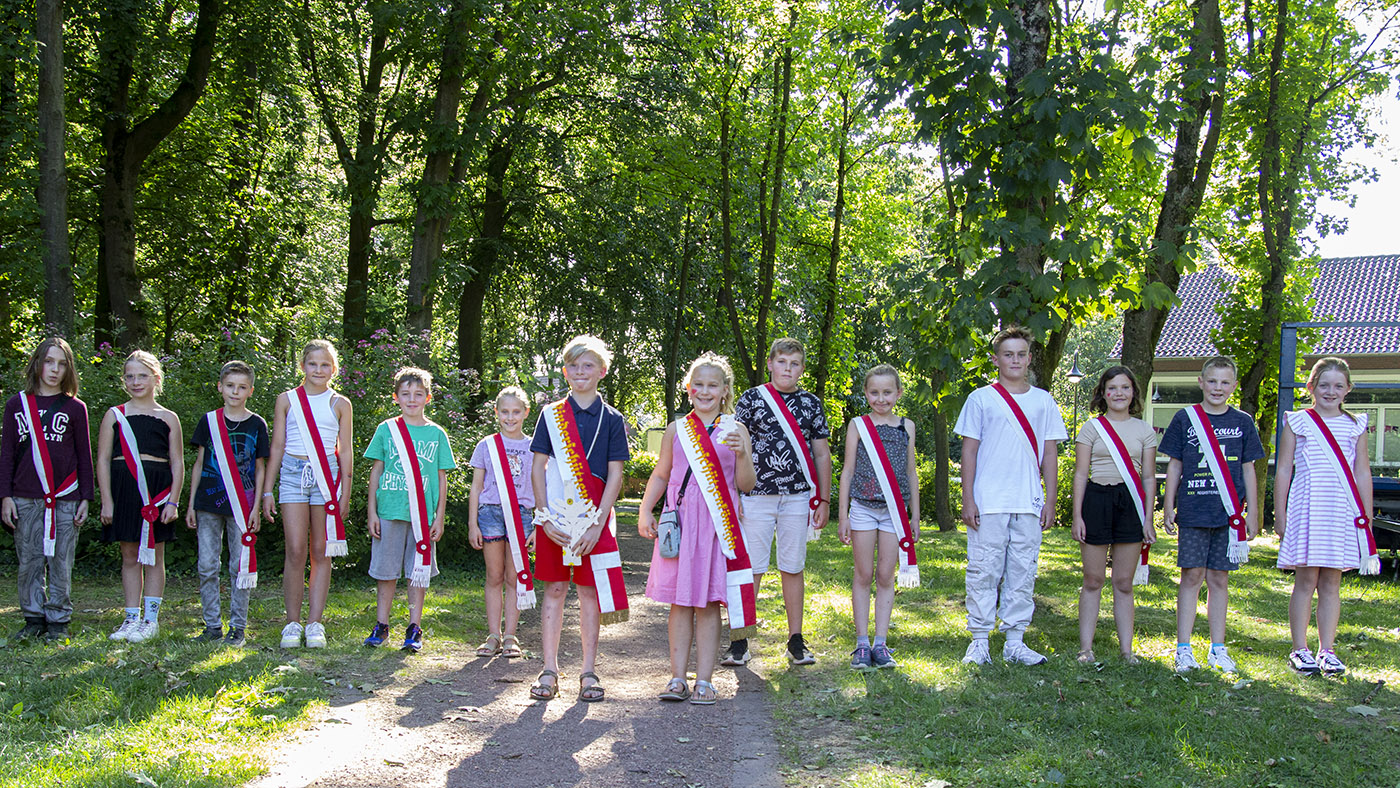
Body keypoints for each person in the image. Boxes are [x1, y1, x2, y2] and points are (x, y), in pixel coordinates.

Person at [638, 353, 757, 704]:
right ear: (689, 389)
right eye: (698, 385)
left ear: (724, 391)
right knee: (679, 602)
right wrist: (646, 510)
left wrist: (743, 455)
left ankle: (704, 680)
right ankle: (677, 678)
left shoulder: (737, 430)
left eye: (712, 385)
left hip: (717, 526)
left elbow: (747, 485)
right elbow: (662, 474)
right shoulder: (677, 430)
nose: (705, 391)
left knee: (707, 603)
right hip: (682, 522)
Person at [954, 326, 1066, 666]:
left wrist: (1051, 499)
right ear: (996, 359)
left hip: (1028, 500)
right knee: (984, 569)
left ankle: (1015, 640)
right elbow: (969, 452)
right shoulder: (981, 399)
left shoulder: (1043, 401)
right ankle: (979, 640)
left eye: (1020, 354)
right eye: (1008, 354)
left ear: (1029, 358)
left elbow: (1049, 454)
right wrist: (968, 498)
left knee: (1023, 570)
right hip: (988, 500)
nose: (1014, 360)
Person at [529, 335, 630, 702]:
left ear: (602, 371)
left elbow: (616, 474)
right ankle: (549, 670)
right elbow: (538, 467)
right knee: (555, 589)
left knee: (590, 592)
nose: (580, 372)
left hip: (595, 519)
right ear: (564, 371)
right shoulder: (550, 415)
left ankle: (588, 671)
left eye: (588, 365)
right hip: (555, 515)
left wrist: (598, 522)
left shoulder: (613, 419)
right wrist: (543, 517)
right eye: (573, 365)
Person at [729, 338, 831, 667]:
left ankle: (795, 639)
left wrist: (824, 498)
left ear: (802, 368)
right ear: (770, 364)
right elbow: (734, 448)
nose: (788, 368)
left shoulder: (811, 403)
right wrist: (734, 494)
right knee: (753, 567)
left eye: (796, 363)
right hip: (756, 496)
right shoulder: (751, 399)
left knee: (793, 566)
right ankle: (740, 639)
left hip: (798, 496)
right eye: (782, 362)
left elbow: (821, 453)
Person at [1161, 356, 1265, 674]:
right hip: (1193, 511)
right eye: (1212, 381)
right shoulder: (1185, 418)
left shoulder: (1244, 422)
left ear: (1234, 387)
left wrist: (1254, 512)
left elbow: (1249, 468)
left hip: (1229, 515)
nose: (1218, 387)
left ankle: (1218, 648)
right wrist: (1167, 505)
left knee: (1219, 578)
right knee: (1191, 576)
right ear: (1201, 382)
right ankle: (1183, 648)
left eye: (1225, 382)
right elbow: (1175, 465)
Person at [1275, 357, 1375, 676]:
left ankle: (1327, 650)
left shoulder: (1355, 424)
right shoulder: (1298, 421)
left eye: (1338, 386)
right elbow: (1284, 468)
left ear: (1347, 390)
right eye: (1324, 385)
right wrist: (1280, 513)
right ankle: (1299, 648)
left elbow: (1362, 471)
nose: (1330, 391)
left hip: (1340, 510)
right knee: (1306, 580)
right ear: (1311, 388)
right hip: (1308, 507)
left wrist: (1366, 516)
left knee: (1332, 581)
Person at [0, 338, 94, 642]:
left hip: (66, 498)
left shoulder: (75, 408)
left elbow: (84, 455)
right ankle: (33, 618)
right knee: (29, 560)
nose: (54, 369)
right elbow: (6, 455)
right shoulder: (17, 405)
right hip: (25, 496)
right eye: (49, 361)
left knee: (61, 561)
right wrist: (5, 497)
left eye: (61, 363)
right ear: (38, 363)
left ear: (68, 368)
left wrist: (86, 497)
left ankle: (58, 620)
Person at [263, 339, 354, 649]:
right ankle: (292, 622)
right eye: (313, 364)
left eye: (325, 364)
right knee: (295, 549)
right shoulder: (286, 400)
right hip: (291, 473)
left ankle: (315, 623)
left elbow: (345, 451)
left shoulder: (340, 403)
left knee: (321, 550)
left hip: (327, 477)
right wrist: (267, 490)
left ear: (334, 369)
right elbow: (276, 445)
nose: (319, 369)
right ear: (302, 365)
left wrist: (346, 492)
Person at [362, 367, 455, 653]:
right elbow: (376, 471)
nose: (412, 399)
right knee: (386, 572)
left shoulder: (437, 433)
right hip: (389, 511)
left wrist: (439, 516)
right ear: (396, 397)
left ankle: (414, 627)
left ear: (428, 397)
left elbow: (441, 477)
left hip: (423, 517)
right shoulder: (386, 430)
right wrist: (372, 512)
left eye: (418, 394)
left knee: (418, 573)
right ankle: (382, 624)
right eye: (405, 394)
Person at [1070, 366, 1156, 664]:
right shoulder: (1091, 428)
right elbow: (1080, 474)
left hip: (1130, 502)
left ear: (1133, 392)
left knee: (1123, 581)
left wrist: (1148, 518)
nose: (1119, 393)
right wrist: (1077, 515)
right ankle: (1085, 648)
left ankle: (1126, 650)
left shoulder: (1145, 430)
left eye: (1125, 387)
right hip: (1096, 499)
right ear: (1103, 393)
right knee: (1093, 579)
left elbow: (1147, 478)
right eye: (1112, 388)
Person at [98, 350, 185, 643]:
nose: (136, 381)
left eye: (142, 375)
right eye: (130, 376)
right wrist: (107, 500)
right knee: (129, 553)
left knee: (155, 555)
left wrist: (173, 500)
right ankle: (131, 617)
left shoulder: (169, 417)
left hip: (158, 492)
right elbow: (102, 459)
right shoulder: (115, 414)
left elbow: (177, 462)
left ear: (156, 379)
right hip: (125, 487)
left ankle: (151, 620)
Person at [837, 364, 919, 672]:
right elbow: (846, 471)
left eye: (887, 392)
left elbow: (911, 473)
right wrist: (843, 514)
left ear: (898, 393)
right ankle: (861, 642)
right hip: (863, 508)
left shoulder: (906, 427)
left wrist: (915, 517)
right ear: (866, 393)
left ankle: (880, 643)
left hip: (894, 513)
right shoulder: (858, 425)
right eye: (874, 392)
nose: (881, 399)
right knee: (863, 574)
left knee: (886, 576)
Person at [185, 360, 269, 647]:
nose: (235, 391)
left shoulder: (257, 424)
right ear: (220, 387)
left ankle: (238, 627)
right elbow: (198, 463)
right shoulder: (208, 421)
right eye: (230, 386)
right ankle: (211, 626)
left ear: (250, 390)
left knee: (239, 567)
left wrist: (256, 506)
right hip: (207, 502)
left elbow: (260, 468)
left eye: (242, 387)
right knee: (207, 565)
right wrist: (190, 504)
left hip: (242, 505)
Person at [469, 386, 537, 659]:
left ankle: (511, 635)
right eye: (505, 412)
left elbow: (540, 485)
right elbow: (476, 487)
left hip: (521, 515)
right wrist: (473, 523)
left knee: (514, 575)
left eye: (516, 412)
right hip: (491, 514)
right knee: (494, 575)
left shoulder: (534, 446)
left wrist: (539, 525)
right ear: (496, 413)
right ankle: (493, 635)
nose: (510, 417)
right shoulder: (487, 445)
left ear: (526, 413)